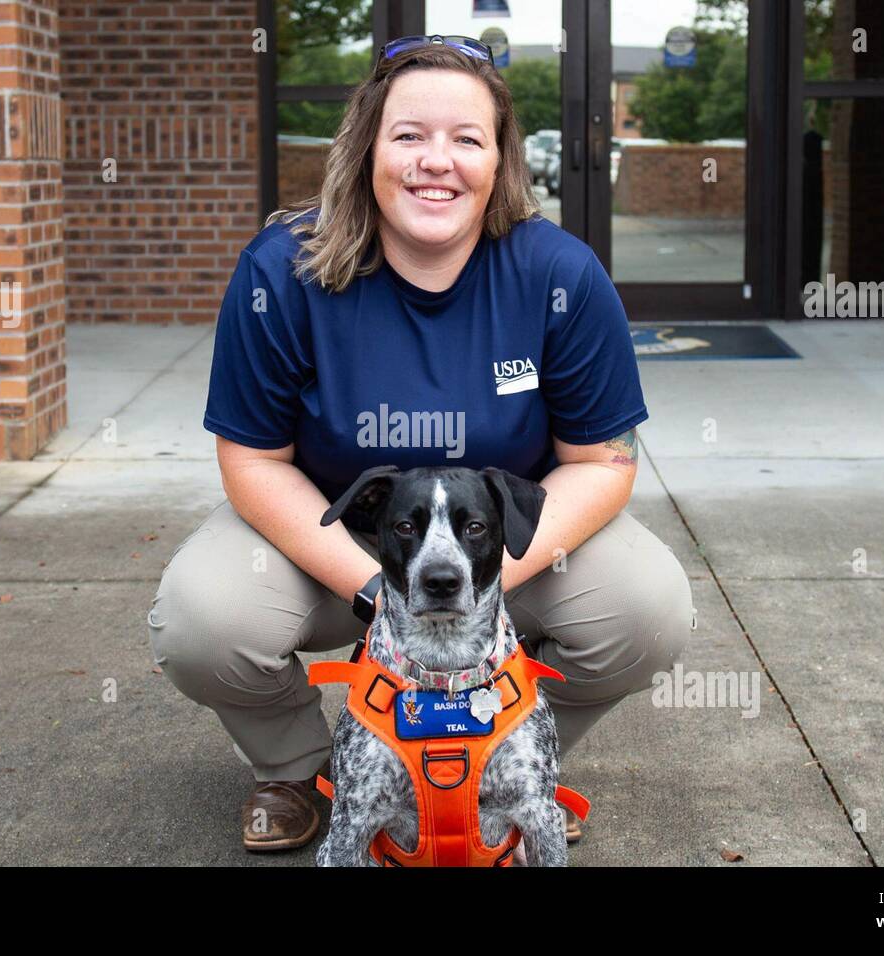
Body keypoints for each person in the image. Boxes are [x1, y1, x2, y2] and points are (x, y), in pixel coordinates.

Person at [147, 35, 695, 853]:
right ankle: (302, 768)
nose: (436, 161)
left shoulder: (560, 274)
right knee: (202, 620)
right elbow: (252, 463)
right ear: (367, 145)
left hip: (503, 546)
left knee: (648, 608)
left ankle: (505, 771)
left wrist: (479, 575)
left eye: (466, 139)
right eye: (409, 135)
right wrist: (382, 591)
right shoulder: (282, 270)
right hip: (337, 545)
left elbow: (606, 463)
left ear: (499, 161)